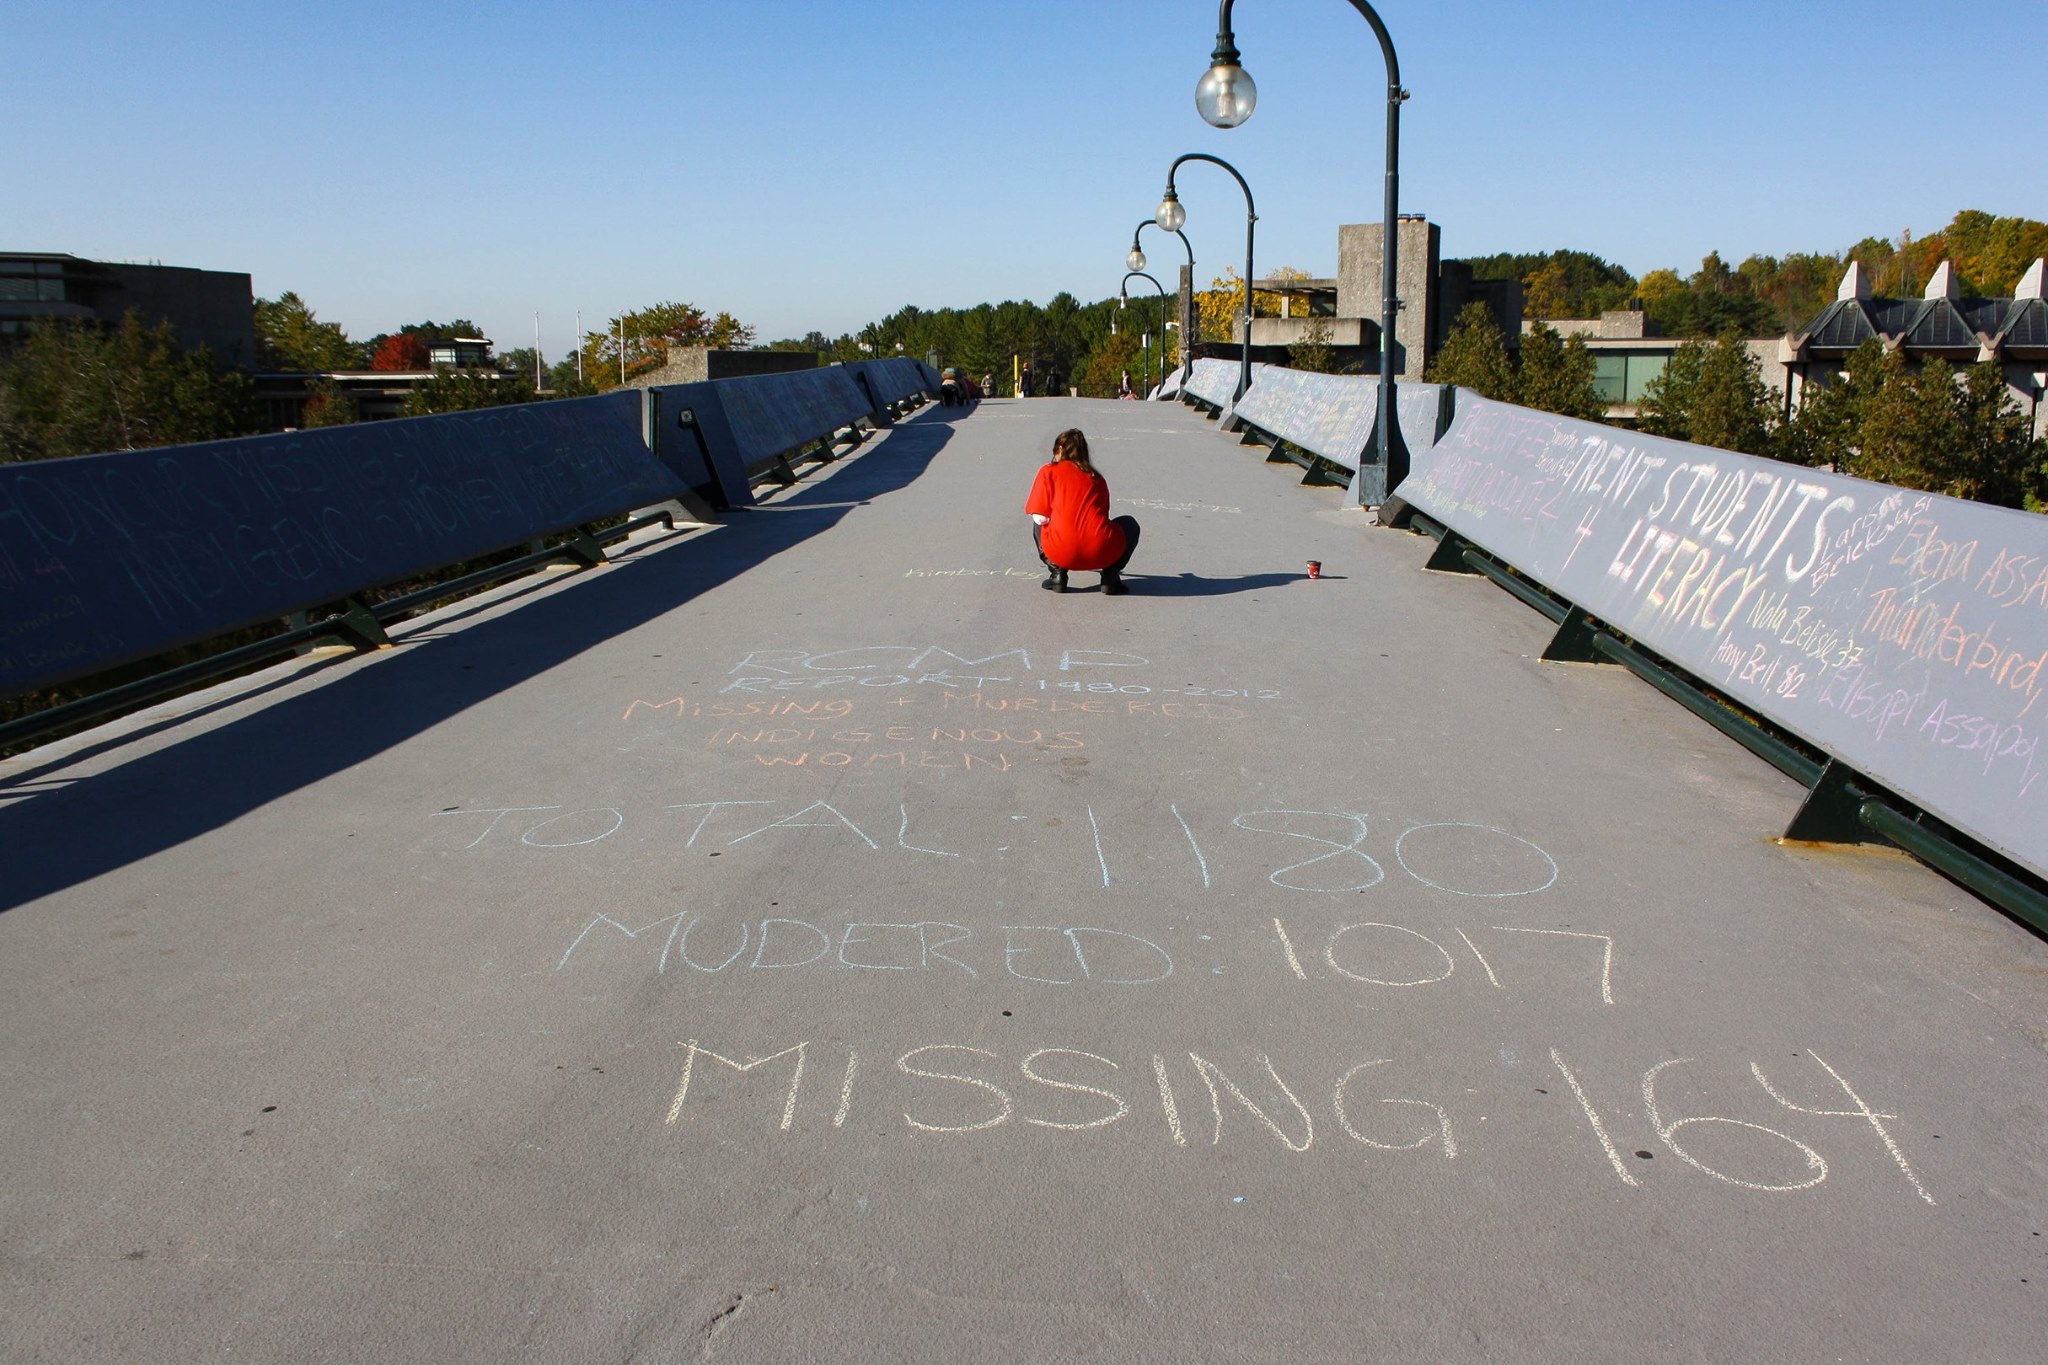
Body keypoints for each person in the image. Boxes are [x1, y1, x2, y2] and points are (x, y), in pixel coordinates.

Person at [1024, 428, 1140, 595]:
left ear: (1061, 450)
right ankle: (1110, 577)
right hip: (1101, 550)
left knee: (1038, 522)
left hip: (1061, 552)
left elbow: (1040, 518)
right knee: (1129, 524)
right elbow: (1103, 515)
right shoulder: (1096, 477)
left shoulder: (1048, 471)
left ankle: (1057, 574)